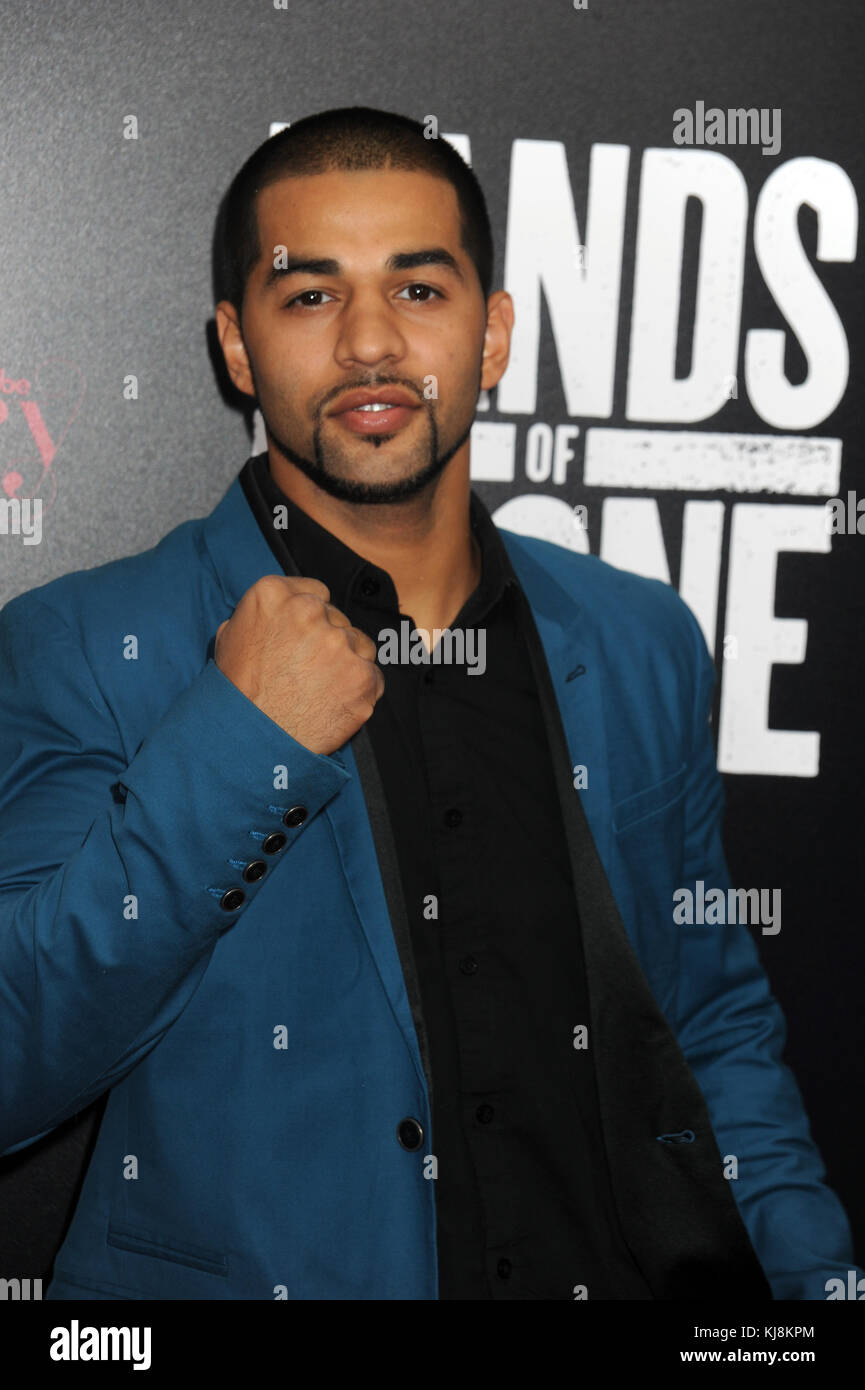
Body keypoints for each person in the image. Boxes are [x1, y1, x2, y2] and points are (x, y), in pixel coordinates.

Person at [0, 106, 858, 1301]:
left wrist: (812, 1292)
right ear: (236, 347)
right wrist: (236, 744)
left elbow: (707, 1021)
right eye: (309, 296)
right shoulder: (85, 643)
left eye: (417, 291)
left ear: (493, 333)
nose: (367, 344)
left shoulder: (637, 639)